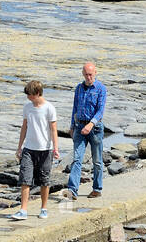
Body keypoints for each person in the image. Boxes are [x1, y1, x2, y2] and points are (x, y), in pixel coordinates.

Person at [10, 80, 59, 220]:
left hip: (45, 150)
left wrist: (56, 148)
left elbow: (53, 129)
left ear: (37, 93)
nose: (28, 98)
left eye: (30, 95)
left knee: (44, 180)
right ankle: (23, 210)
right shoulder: (27, 108)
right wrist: (19, 147)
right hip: (29, 149)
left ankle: (44, 208)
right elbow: (24, 127)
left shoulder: (49, 108)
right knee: (25, 179)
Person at [65, 61, 106, 199]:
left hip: (95, 129)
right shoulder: (79, 88)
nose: (88, 77)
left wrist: (91, 124)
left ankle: (97, 188)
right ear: (83, 74)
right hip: (79, 127)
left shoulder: (101, 88)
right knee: (77, 159)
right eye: (86, 74)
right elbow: (75, 108)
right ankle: (72, 190)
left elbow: (100, 110)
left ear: (95, 73)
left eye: (91, 74)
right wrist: (72, 126)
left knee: (97, 161)